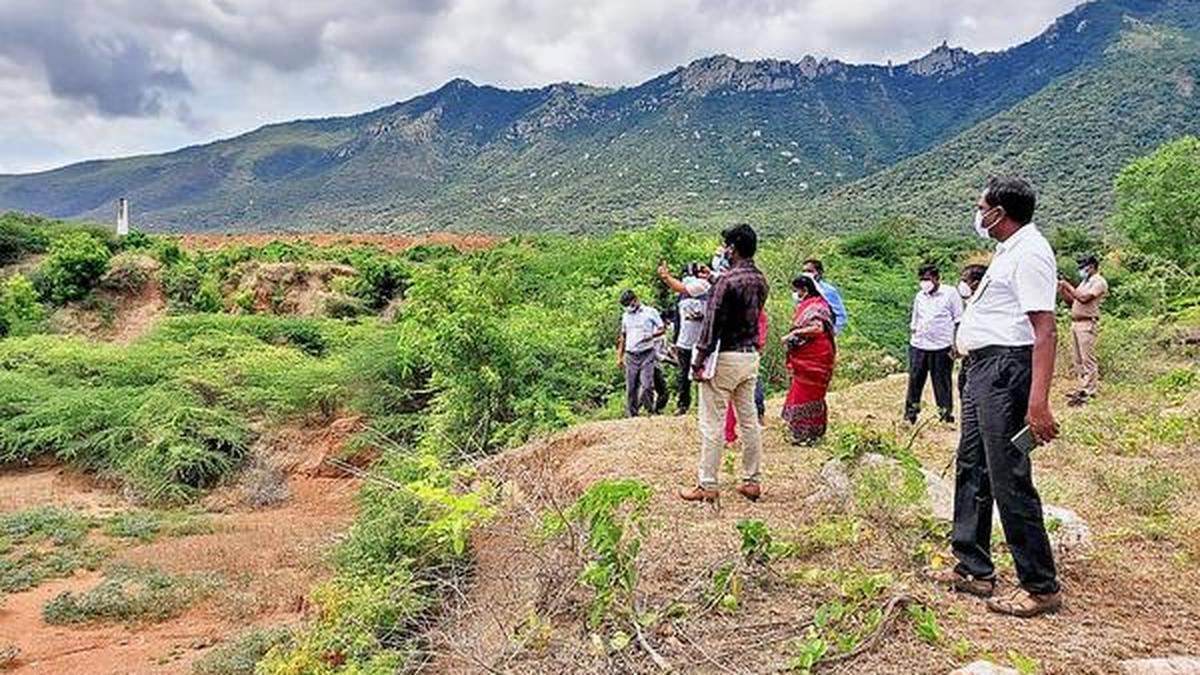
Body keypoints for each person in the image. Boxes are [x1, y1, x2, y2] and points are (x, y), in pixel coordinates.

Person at [930, 176, 1062, 618]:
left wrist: (1038, 402)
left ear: (998, 214)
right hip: (982, 368)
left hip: (1006, 371)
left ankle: (1039, 585)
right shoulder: (1009, 251)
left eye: (981, 206)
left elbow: (1044, 330)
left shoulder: (1030, 253)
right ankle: (973, 566)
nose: (978, 213)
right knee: (973, 465)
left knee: (1008, 473)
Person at [680, 224, 769, 503]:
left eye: (726, 246)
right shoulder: (760, 280)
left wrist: (698, 361)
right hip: (750, 356)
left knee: (712, 422)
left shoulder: (725, 282)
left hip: (724, 358)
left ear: (733, 247)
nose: (723, 251)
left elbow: (711, 325)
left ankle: (707, 484)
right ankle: (751, 480)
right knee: (749, 420)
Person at [781, 274, 837, 444]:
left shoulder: (818, 306)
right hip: (804, 357)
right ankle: (800, 431)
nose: (795, 294)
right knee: (800, 391)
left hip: (817, 356)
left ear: (805, 290)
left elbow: (818, 328)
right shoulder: (807, 304)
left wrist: (795, 333)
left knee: (810, 393)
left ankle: (809, 433)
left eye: (797, 291)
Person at [905, 264, 964, 424]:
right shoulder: (920, 296)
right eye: (922, 279)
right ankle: (911, 413)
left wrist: (956, 344)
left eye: (928, 279)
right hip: (919, 345)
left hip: (942, 346)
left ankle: (945, 414)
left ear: (937, 278)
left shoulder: (950, 293)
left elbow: (958, 319)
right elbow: (915, 318)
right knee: (915, 380)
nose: (925, 283)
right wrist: (914, 333)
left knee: (941, 381)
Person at [657, 262, 712, 415]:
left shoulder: (705, 287)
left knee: (690, 374)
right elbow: (678, 319)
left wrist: (666, 277)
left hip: (698, 341)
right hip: (690, 341)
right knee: (690, 374)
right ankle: (685, 404)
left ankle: (689, 405)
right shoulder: (684, 294)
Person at [1057, 254, 1108, 406]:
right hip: (1076, 323)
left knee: (1088, 359)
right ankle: (1082, 388)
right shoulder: (1084, 282)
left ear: (1092, 266)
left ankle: (1090, 391)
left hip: (1087, 323)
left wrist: (1068, 285)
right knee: (1077, 359)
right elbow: (1072, 301)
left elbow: (1084, 298)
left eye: (1083, 267)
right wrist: (1063, 291)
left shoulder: (1099, 282)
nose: (1081, 270)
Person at [616, 290, 665, 417]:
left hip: (647, 352)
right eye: (626, 305)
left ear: (635, 299)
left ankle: (650, 410)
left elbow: (662, 328)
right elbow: (623, 336)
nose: (629, 307)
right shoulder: (626, 316)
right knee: (631, 387)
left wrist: (651, 336)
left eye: (630, 303)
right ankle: (633, 415)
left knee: (647, 385)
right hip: (631, 354)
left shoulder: (650, 312)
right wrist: (619, 357)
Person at [956, 264, 988, 395]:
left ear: (977, 283)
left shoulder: (987, 305)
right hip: (968, 358)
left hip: (982, 359)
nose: (961, 285)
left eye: (965, 281)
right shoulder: (970, 303)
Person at [802, 259, 848, 335]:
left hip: (823, 335)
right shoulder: (801, 290)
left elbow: (841, 315)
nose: (806, 274)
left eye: (809, 271)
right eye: (804, 271)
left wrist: (832, 333)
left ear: (819, 273)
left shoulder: (828, 291)